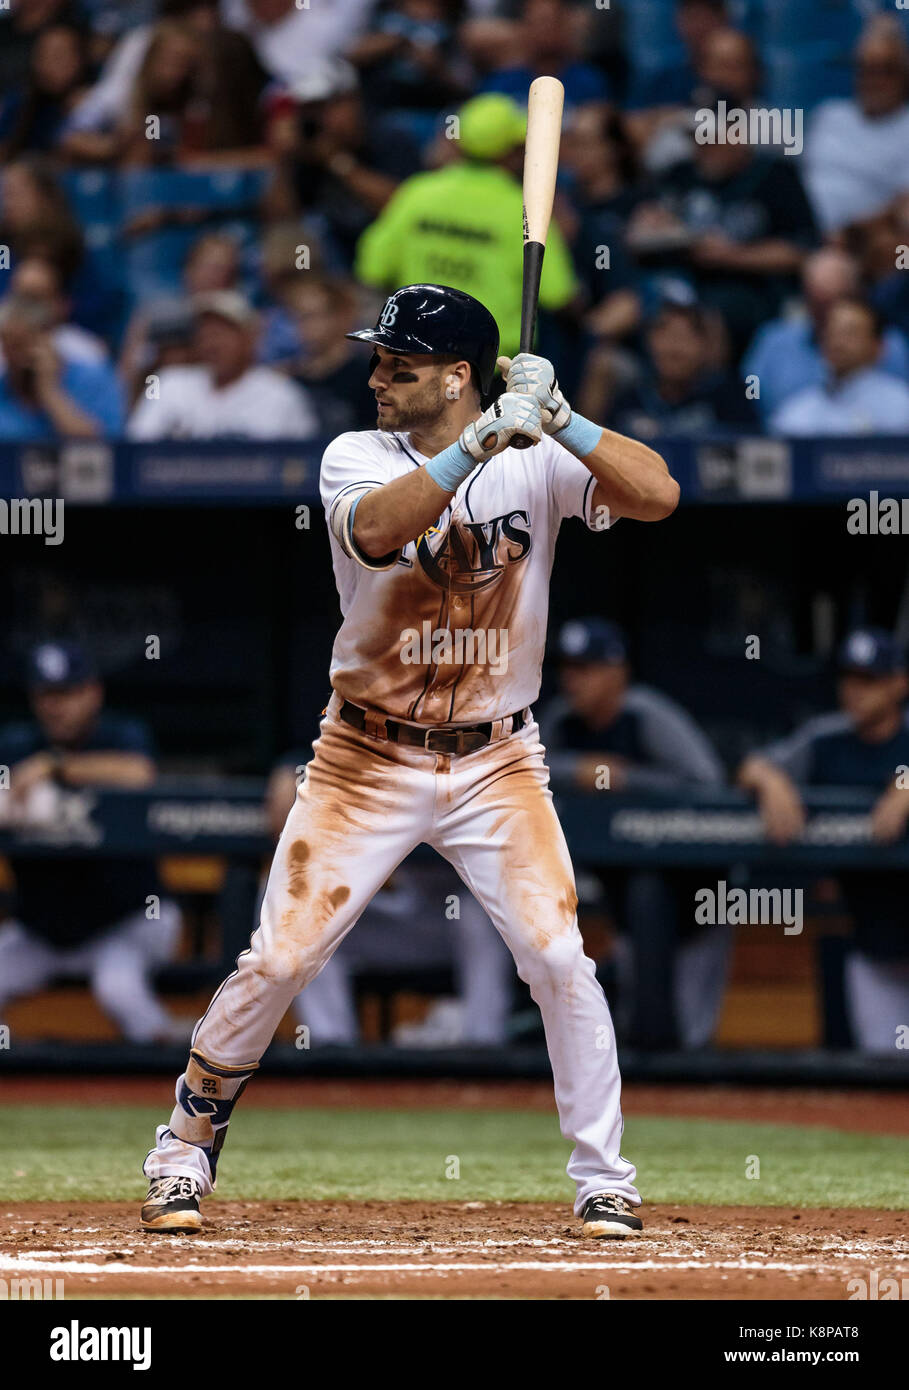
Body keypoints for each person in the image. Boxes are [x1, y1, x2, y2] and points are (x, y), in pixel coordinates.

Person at [139, 281, 679, 1239]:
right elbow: (380, 533)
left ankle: (605, 1176)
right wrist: (478, 441)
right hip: (363, 754)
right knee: (279, 958)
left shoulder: (539, 459)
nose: (378, 378)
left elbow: (659, 496)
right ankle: (182, 1148)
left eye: (403, 366)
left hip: (497, 761)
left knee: (559, 957)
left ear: (460, 376)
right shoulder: (356, 454)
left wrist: (563, 419)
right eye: (379, 361)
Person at [541, 617, 730, 1050]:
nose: (572, 680)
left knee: (690, 1039)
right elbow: (528, 768)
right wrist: (579, 770)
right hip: (626, 902)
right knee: (637, 1029)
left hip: (696, 902)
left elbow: (710, 788)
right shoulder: (561, 722)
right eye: (567, 669)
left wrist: (628, 779)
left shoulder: (647, 715)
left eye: (585, 668)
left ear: (617, 672)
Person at [0, 642, 184, 1045]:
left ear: (92, 692)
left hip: (131, 921)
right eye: (46, 695)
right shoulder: (15, 744)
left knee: (118, 989)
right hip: (41, 934)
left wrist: (56, 768)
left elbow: (139, 774)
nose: (55, 706)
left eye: (66, 693)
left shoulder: (121, 734)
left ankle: (179, 1069)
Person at [738, 629, 909, 1055]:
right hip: (876, 942)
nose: (855, 691)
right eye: (849, 679)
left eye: (869, 679)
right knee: (883, 1072)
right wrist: (770, 778)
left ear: (898, 684)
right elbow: (749, 767)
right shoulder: (825, 738)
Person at [264, 754, 512, 1046]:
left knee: (475, 916)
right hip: (401, 921)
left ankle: (483, 1048)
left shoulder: (479, 741)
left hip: (463, 923)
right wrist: (295, 771)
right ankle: (331, 1053)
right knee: (305, 911)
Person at [354, 93, 577, 358]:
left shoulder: (419, 192)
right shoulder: (524, 208)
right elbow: (558, 296)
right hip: (488, 366)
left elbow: (373, 268)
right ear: (511, 152)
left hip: (417, 355)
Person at [625, 118, 817, 359]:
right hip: (678, 278)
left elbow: (800, 251)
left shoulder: (775, 176)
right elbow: (636, 236)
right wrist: (648, 225)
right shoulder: (680, 174)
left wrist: (731, 256)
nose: (702, 148)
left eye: (711, 139)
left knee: (707, 315)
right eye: (697, 139)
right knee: (639, 301)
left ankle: (712, 392)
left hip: (749, 289)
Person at [264, 58, 420, 266]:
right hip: (334, 266)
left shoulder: (389, 135)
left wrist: (337, 161)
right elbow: (282, 221)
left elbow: (405, 208)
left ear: (351, 102)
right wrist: (283, 161)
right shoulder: (308, 148)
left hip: (388, 262)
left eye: (323, 107)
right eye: (308, 111)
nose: (318, 119)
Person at [743, 247, 909, 424]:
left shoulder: (899, 401)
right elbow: (751, 396)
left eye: (832, 302)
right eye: (816, 302)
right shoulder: (796, 412)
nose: (838, 341)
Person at [127, 289, 318, 439]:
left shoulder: (281, 395)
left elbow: (304, 467)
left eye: (223, 333)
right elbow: (136, 453)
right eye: (205, 334)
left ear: (249, 338)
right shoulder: (170, 383)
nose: (212, 344)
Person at [804, 19, 909, 234]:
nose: (874, 79)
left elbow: (904, 205)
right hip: (800, 233)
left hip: (863, 242)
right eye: (866, 68)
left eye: (886, 70)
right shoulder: (829, 115)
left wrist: (853, 233)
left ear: (904, 74)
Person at [607, 301, 757, 439]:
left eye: (685, 337)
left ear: (706, 346)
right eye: (665, 335)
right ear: (649, 341)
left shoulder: (730, 397)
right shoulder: (629, 400)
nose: (674, 349)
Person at [769, 298, 909, 437]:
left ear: (877, 347)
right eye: (832, 332)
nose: (838, 342)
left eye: (850, 333)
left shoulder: (902, 407)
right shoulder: (795, 414)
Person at [0, 294, 124, 440]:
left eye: (21, 346)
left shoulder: (94, 380)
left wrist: (49, 390)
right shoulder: (3, 387)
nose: (14, 358)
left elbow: (103, 448)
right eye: (8, 346)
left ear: (49, 338)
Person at [2, 257, 109, 366]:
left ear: (59, 304)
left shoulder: (88, 354)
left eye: (35, 300)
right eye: (20, 298)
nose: (25, 309)